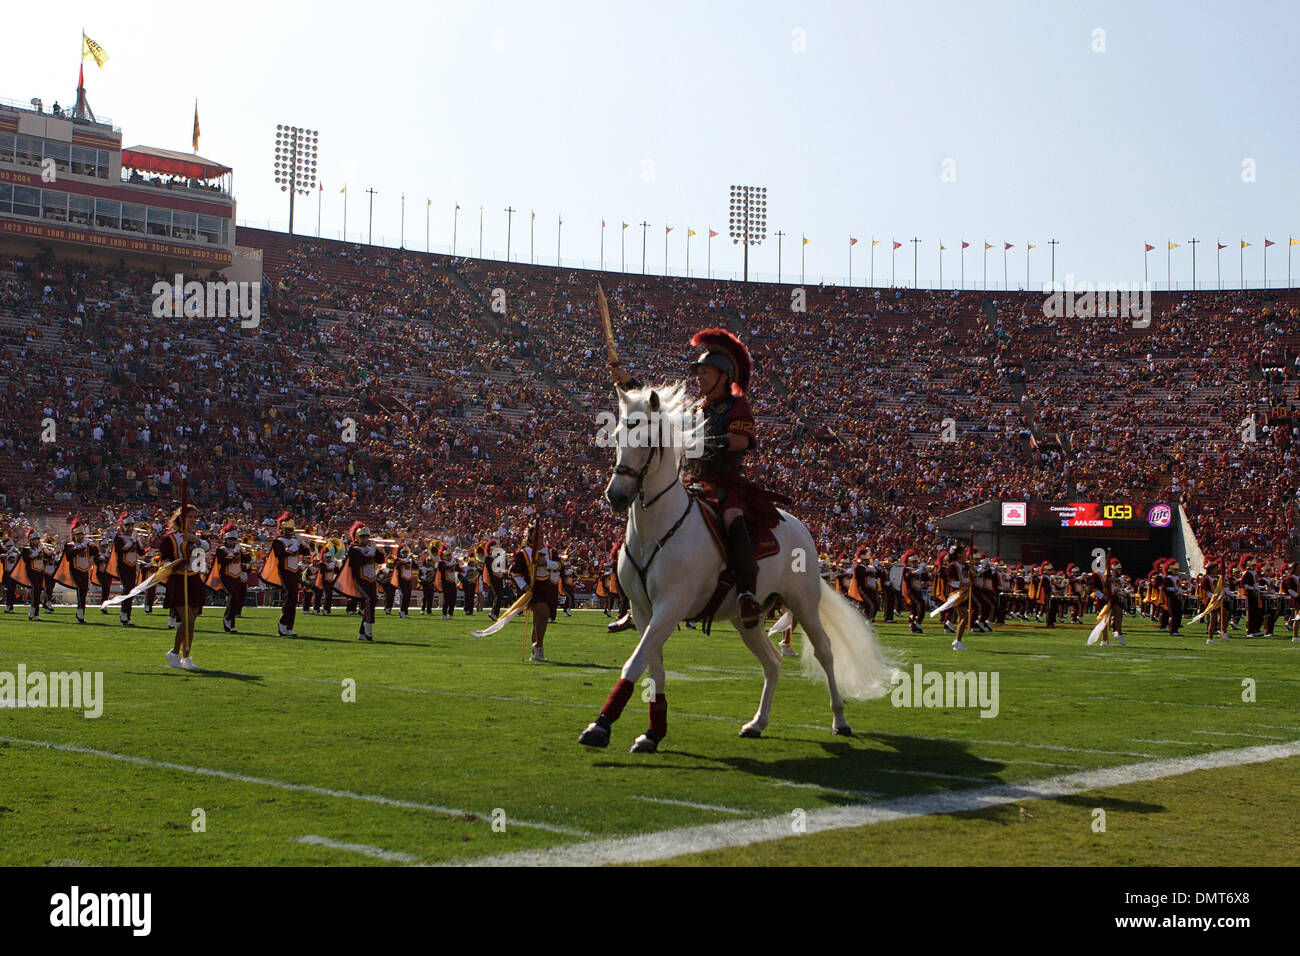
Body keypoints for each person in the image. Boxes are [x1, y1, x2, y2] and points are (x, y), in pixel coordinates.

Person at [609, 327, 776, 629]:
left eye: (706, 372)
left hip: (725, 484)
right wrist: (627, 381)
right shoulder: (696, 409)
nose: (699, 378)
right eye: (698, 373)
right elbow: (654, 409)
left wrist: (705, 442)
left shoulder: (737, 406)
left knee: (733, 522)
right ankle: (639, 602)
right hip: (692, 483)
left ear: (723, 377)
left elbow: (742, 441)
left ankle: (748, 595)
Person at [159, 503, 206, 670]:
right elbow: (163, 561)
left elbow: (205, 549)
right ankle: (176, 653)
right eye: (190, 516)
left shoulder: (195, 537)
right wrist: (177, 564)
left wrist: (194, 540)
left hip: (193, 579)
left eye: (195, 517)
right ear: (181, 518)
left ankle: (182, 655)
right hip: (179, 580)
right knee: (187, 619)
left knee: (191, 622)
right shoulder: (170, 538)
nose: (193, 520)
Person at [512, 525, 559, 662]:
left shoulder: (549, 551)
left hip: (548, 588)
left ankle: (535, 651)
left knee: (539, 620)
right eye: (536, 534)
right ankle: (539, 647)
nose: (539, 537)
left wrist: (546, 563)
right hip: (533, 588)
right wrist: (524, 586)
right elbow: (516, 573)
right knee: (543, 614)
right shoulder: (523, 552)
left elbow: (560, 566)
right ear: (530, 536)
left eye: (541, 534)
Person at [260, 512, 303, 637]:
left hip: (294, 571)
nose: (290, 531)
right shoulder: (278, 541)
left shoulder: (294, 540)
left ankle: (289, 627)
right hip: (285, 571)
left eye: (291, 528)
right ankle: (283, 622)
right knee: (290, 595)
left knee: (294, 598)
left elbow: (305, 551)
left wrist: (302, 542)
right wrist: (292, 548)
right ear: (282, 529)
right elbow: (279, 554)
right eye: (288, 529)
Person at [53, 518, 94, 623]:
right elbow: (68, 556)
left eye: (82, 534)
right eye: (78, 534)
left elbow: (95, 553)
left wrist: (92, 545)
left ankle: (80, 613)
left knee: (84, 590)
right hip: (75, 570)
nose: (80, 536)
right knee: (81, 588)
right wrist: (81, 547)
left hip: (85, 569)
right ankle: (80, 614)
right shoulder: (69, 545)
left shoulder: (86, 543)